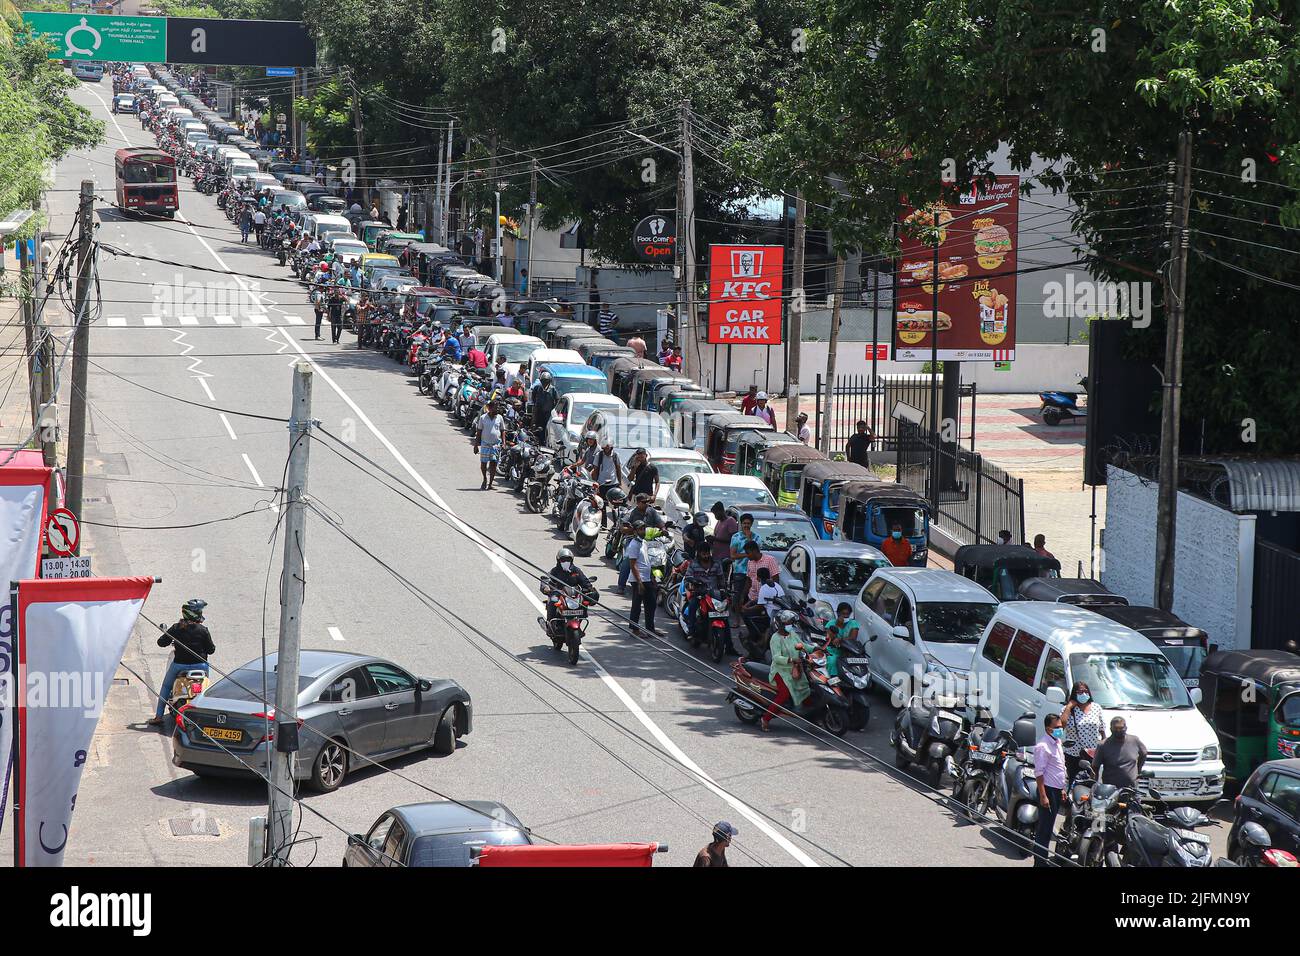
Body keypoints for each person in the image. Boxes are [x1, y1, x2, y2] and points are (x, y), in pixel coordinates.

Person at [148, 600, 215, 726]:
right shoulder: (203, 630)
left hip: (179, 665)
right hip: (201, 666)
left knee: (166, 687)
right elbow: (211, 650)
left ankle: (158, 716)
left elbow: (161, 643)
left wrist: (171, 638)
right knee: (206, 688)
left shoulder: (176, 628)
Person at [762, 611, 810, 731]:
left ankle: (812, 717)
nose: (790, 625)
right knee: (784, 694)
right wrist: (791, 659)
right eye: (788, 623)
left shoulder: (792, 634)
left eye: (791, 623)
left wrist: (816, 648)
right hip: (781, 671)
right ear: (781, 624)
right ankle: (766, 718)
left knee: (806, 688)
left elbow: (802, 645)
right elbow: (776, 658)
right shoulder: (775, 638)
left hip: (796, 668)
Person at [1032, 713, 1067, 866]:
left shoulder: (1057, 742)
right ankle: (1039, 862)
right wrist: (1043, 795)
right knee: (1044, 830)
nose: (1060, 730)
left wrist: (1063, 788)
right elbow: (1039, 773)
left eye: (1061, 727)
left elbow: (1060, 767)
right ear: (1048, 729)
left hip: (1057, 789)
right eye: (1057, 727)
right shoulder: (1042, 746)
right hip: (1048, 790)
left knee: (1049, 827)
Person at [1060, 680, 1106, 783]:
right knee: (1072, 783)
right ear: (1074, 694)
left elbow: (1102, 730)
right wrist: (1069, 707)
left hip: (1092, 755)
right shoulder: (1068, 709)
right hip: (1073, 755)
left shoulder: (1096, 707)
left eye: (1086, 691)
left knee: (1091, 784)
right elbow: (1061, 726)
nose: (1084, 694)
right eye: (1080, 692)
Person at [1093, 716, 1148, 789]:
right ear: (1111, 729)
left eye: (1121, 728)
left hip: (1131, 788)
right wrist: (1093, 786)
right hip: (1110, 789)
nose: (1118, 731)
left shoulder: (1134, 740)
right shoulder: (1103, 745)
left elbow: (1144, 754)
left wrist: (1138, 770)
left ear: (1126, 728)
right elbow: (1095, 767)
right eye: (1116, 728)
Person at [627, 524, 659, 633]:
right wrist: (639, 582)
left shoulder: (644, 542)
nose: (643, 531)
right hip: (638, 580)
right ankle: (634, 629)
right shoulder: (633, 545)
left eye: (644, 528)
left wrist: (652, 576)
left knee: (651, 603)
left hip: (647, 578)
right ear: (635, 531)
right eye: (640, 529)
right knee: (637, 605)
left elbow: (647, 561)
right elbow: (633, 565)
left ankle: (650, 629)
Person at [588, 438, 624, 527]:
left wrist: (619, 483)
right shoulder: (599, 455)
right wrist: (595, 483)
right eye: (605, 448)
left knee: (614, 506)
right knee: (601, 504)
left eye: (608, 448)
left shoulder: (615, 455)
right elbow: (595, 469)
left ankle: (616, 525)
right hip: (601, 483)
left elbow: (618, 469)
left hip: (613, 483)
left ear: (611, 448)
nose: (606, 450)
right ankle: (603, 524)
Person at [474, 399, 506, 489]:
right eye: (495, 408)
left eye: (498, 408)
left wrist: (503, 443)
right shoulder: (483, 418)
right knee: (483, 463)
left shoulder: (500, 418)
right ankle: (484, 479)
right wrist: (476, 445)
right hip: (485, 444)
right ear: (490, 408)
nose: (497, 410)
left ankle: (490, 483)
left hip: (496, 444)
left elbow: (503, 431)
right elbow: (479, 431)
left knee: (493, 464)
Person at [823, 602, 860, 679]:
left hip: (847, 651)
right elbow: (829, 637)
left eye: (848, 614)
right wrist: (838, 625)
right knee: (833, 661)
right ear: (838, 613)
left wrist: (840, 639)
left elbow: (853, 638)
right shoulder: (831, 623)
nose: (846, 616)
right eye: (843, 614)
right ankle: (832, 679)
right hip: (833, 650)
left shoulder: (853, 623)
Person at [729, 513, 758, 609]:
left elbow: (757, 554)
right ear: (741, 524)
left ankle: (746, 615)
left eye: (748, 523)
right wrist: (749, 554)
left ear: (751, 524)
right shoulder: (736, 537)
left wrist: (749, 539)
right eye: (744, 523)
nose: (746, 525)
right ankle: (736, 617)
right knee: (737, 595)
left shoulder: (756, 538)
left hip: (753, 571)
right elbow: (733, 555)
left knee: (751, 595)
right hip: (739, 571)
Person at [710, 501, 737, 567]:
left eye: (715, 514)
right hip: (716, 556)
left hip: (725, 557)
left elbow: (734, 539)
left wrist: (716, 539)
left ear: (721, 511)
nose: (715, 516)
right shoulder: (719, 522)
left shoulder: (730, 521)